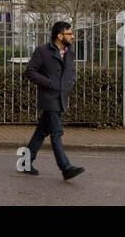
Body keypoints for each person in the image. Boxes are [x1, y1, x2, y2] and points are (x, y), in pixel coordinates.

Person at [21, 21, 85, 181]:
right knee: (56, 133)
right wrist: (49, 83)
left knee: (41, 132)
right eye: (69, 34)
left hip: (61, 97)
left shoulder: (70, 52)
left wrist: (71, 82)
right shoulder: (42, 51)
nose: (72, 36)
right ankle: (66, 168)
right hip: (49, 97)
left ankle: (25, 162)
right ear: (60, 36)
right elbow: (30, 71)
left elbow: (71, 71)